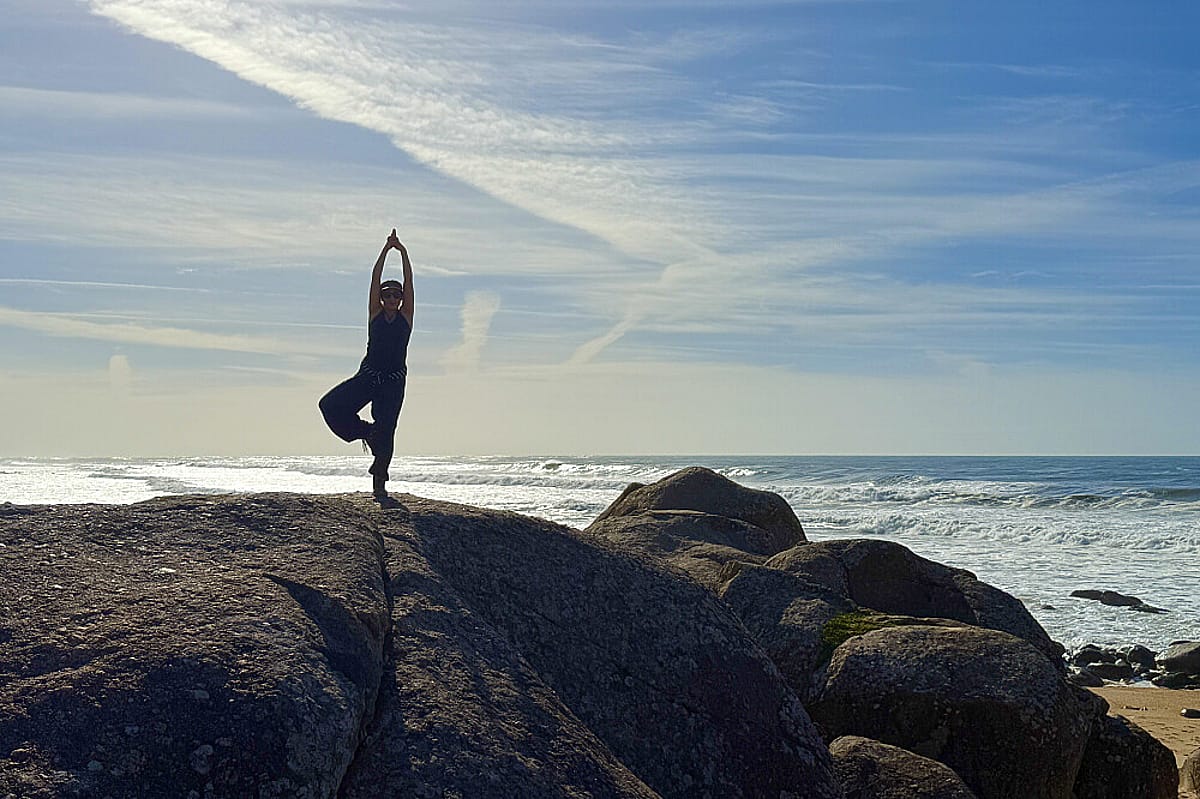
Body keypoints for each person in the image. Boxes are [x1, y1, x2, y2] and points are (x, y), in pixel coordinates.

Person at [319, 228, 413, 505]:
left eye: (397, 296)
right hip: (369, 376)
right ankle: (365, 432)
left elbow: (409, 281)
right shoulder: (374, 314)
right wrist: (386, 251)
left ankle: (379, 484)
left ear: (401, 299)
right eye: (388, 296)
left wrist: (404, 253)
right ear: (382, 299)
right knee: (329, 405)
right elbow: (374, 280)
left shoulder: (406, 317)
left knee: (388, 428)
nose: (392, 299)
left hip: (394, 382)